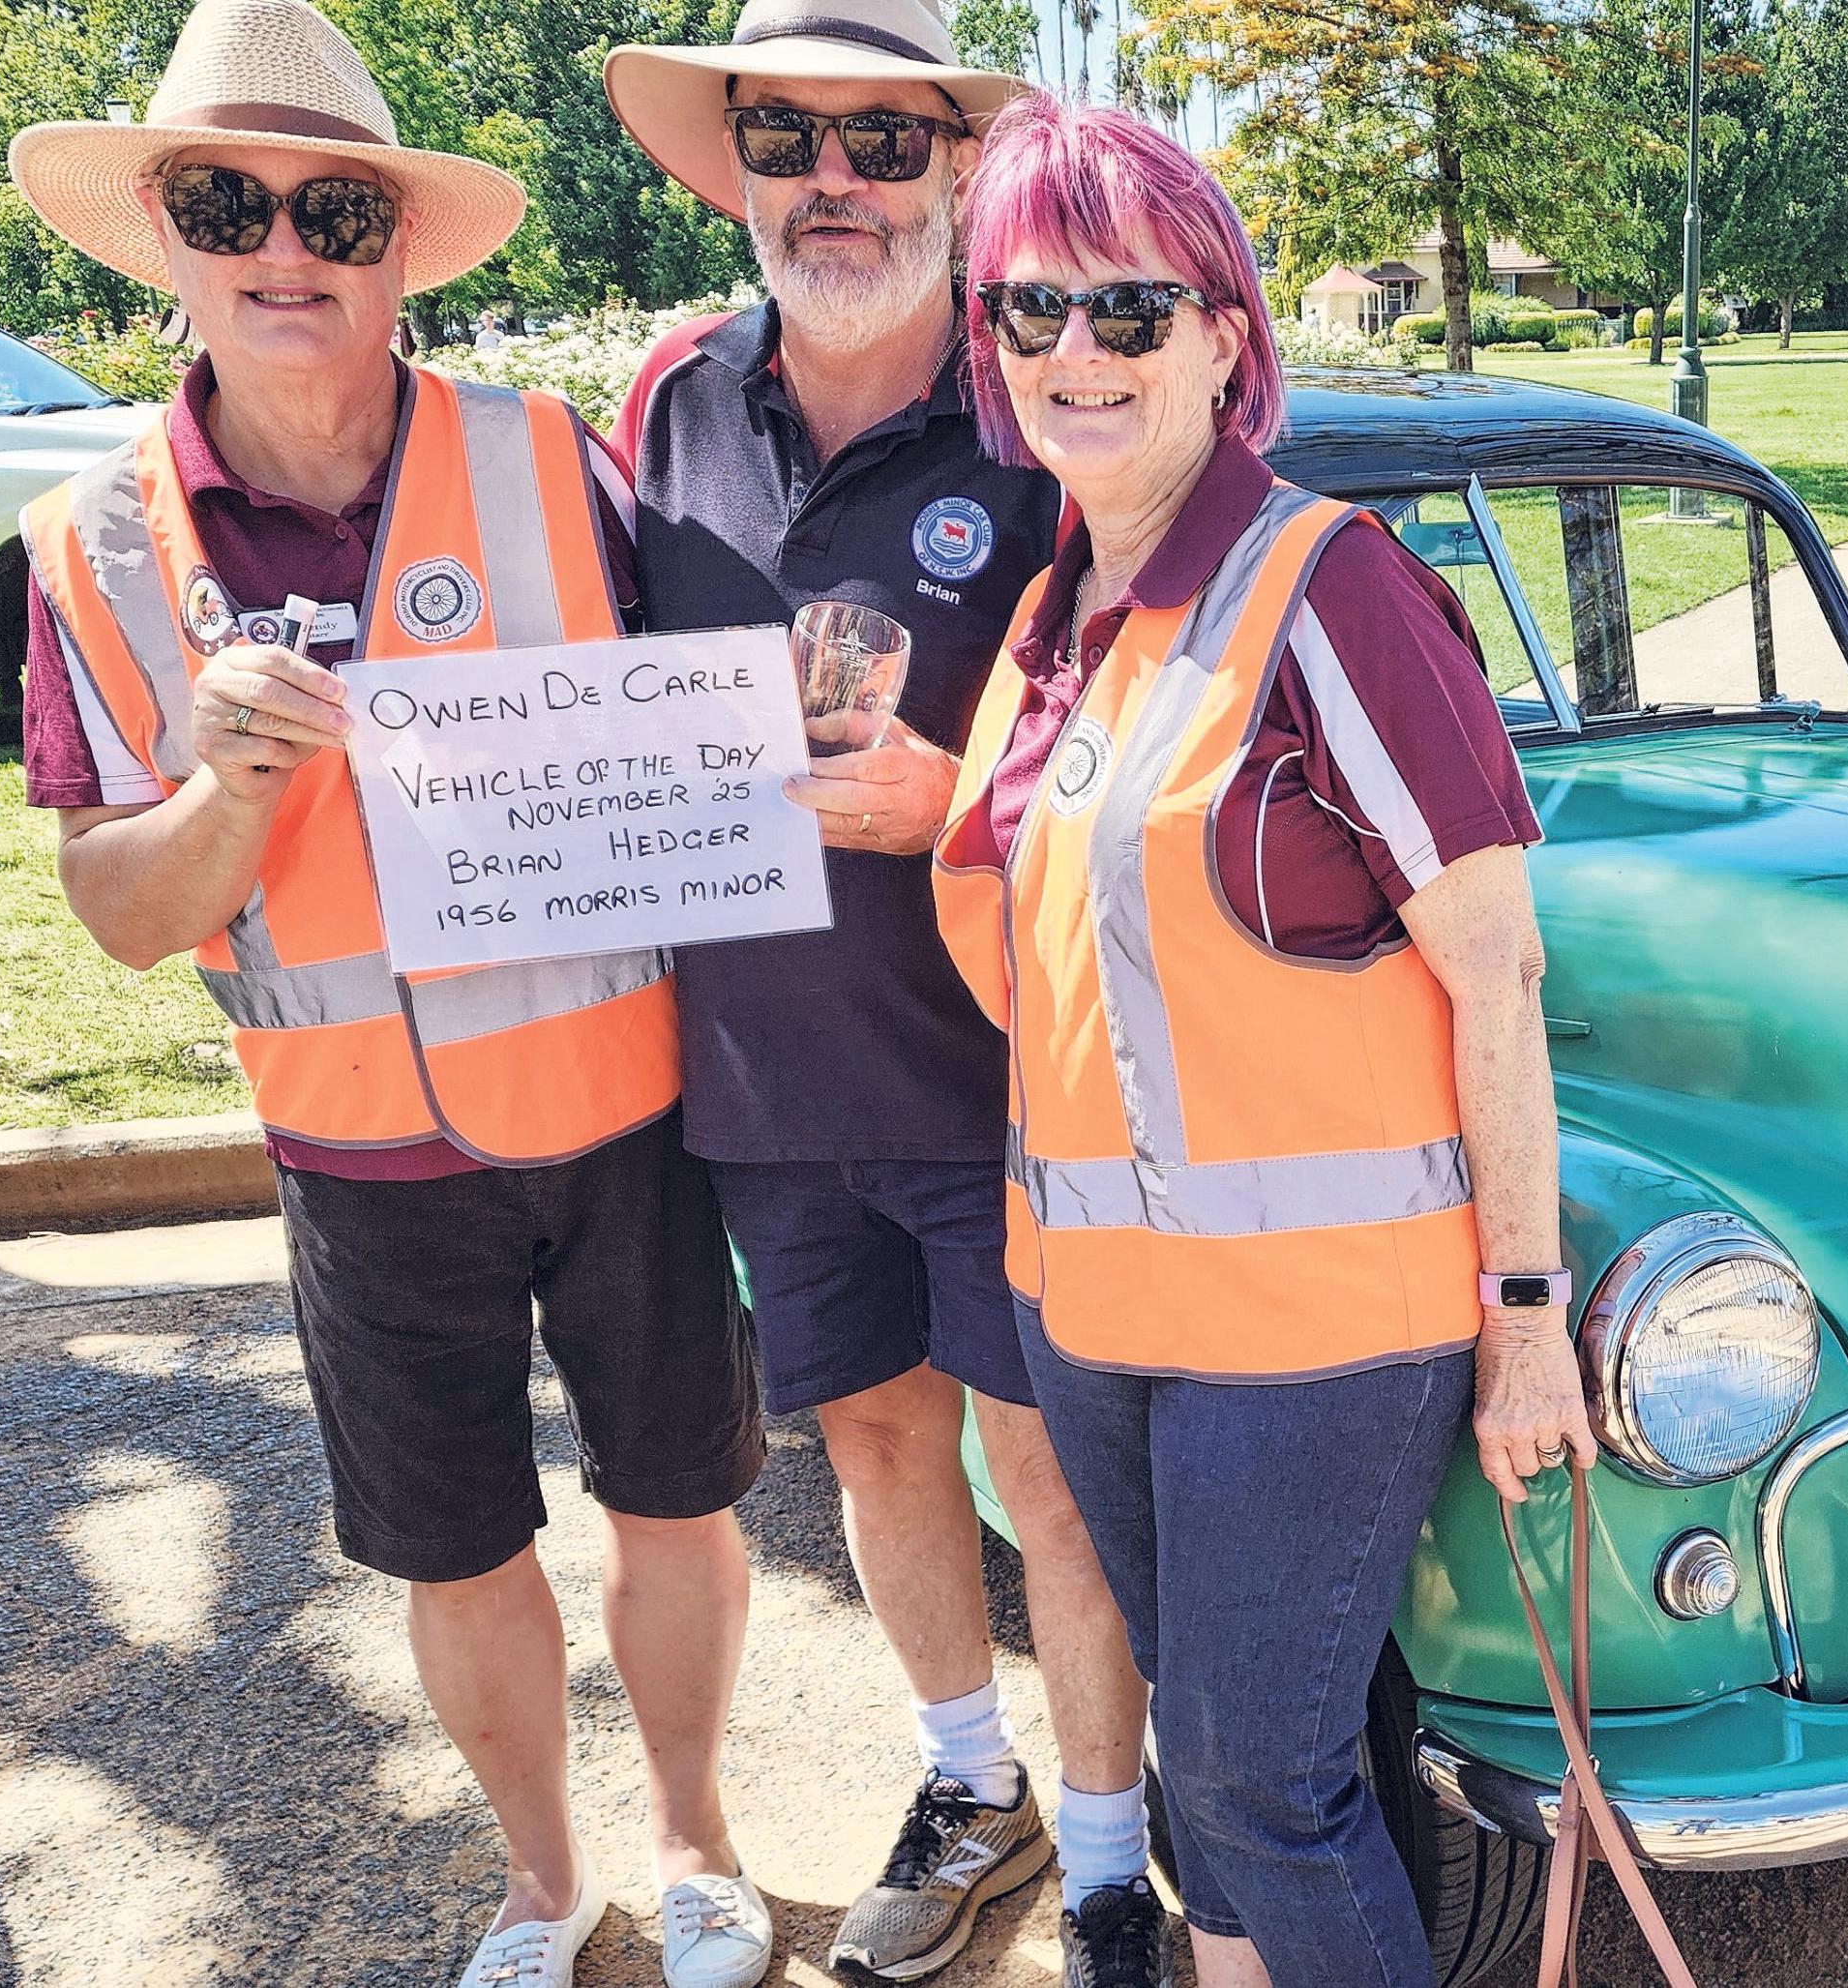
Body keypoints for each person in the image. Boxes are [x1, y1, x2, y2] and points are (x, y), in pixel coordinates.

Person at [7, 6, 773, 1987]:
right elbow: (110, 902)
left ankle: (694, 1844)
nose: (287, 243)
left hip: (622, 1112)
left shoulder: (552, 461)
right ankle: (543, 1883)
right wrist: (227, 789)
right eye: (227, 201)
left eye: (335, 204)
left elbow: (700, 743)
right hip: (354, 1142)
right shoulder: (80, 547)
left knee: (674, 1498)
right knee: (454, 1547)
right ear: (163, 238)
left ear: (397, 246)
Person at [922, 95, 1594, 1988]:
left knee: (1257, 1775)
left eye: (1125, 310)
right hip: (1092, 1315)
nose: (1074, 353)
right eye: (1027, 314)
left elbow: (1496, 976)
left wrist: (1525, 1315)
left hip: (1307, 1336)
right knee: (1210, 1788)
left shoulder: (1331, 592)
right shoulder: (1059, 609)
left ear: (1223, 333)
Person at [600, 5, 1158, 1980]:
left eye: (884, 142)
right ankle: (970, 1783)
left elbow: (1154, 715)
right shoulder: (664, 402)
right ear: (735, 164)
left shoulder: (1042, 403)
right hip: (762, 1075)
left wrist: (962, 805)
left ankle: (1104, 1852)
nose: (831, 180)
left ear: (950, 170)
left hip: (1008, 1071)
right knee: (870, 1447)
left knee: (1054, 1480)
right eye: (785, 136)